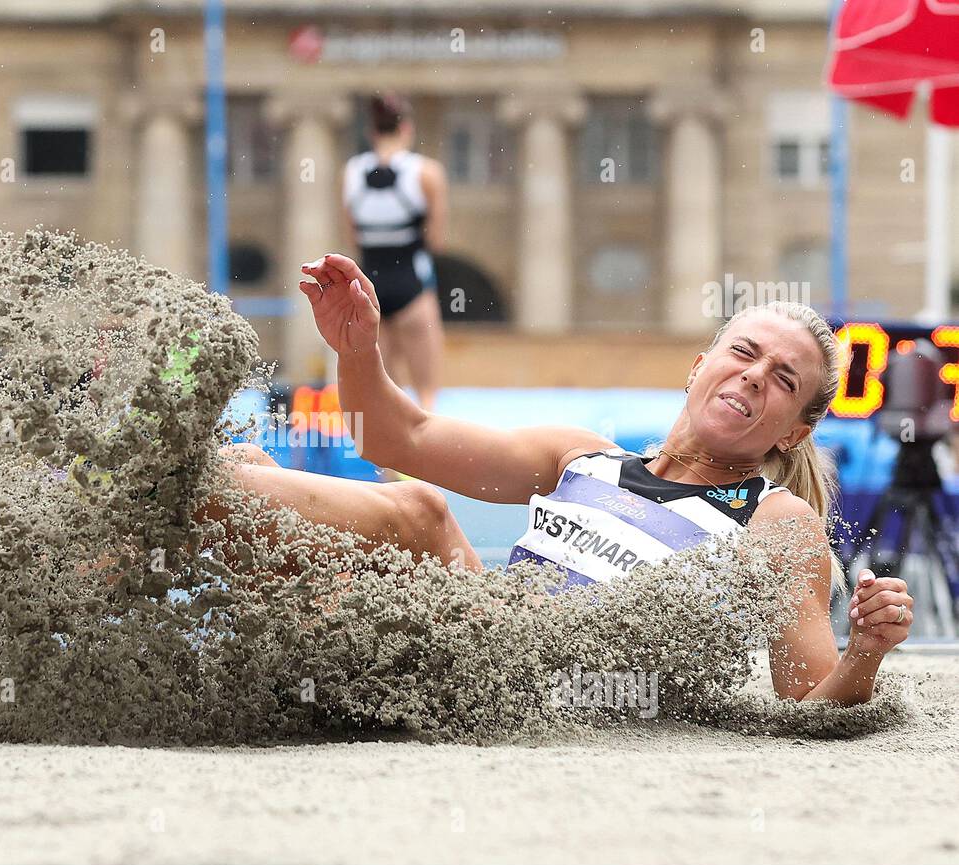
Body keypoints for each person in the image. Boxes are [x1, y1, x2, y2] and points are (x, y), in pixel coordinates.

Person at [208, 253, 915, 707]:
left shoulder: (777, 521)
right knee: (255, 473)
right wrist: (358, 351)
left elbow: (808, 699)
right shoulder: (583, 457)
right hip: (448, 647)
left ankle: (174, 484)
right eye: (744, 354)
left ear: (793, 430)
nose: (754, 376)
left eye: (783, 380)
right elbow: (397, 436)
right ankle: (150, 534)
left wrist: (863, 655)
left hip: (529, 687)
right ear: (701, 366)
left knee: (422, 512)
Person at [341, 92, 448, 412]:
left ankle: (390, 464)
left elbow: (352, 238)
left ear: (372, 133)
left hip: (370, 286)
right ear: (408, 130)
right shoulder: (427, 172)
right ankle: (427, 462)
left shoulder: (351, 173)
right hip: (410, 285)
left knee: (387, 397)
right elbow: (437, 240)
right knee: (427, 394)